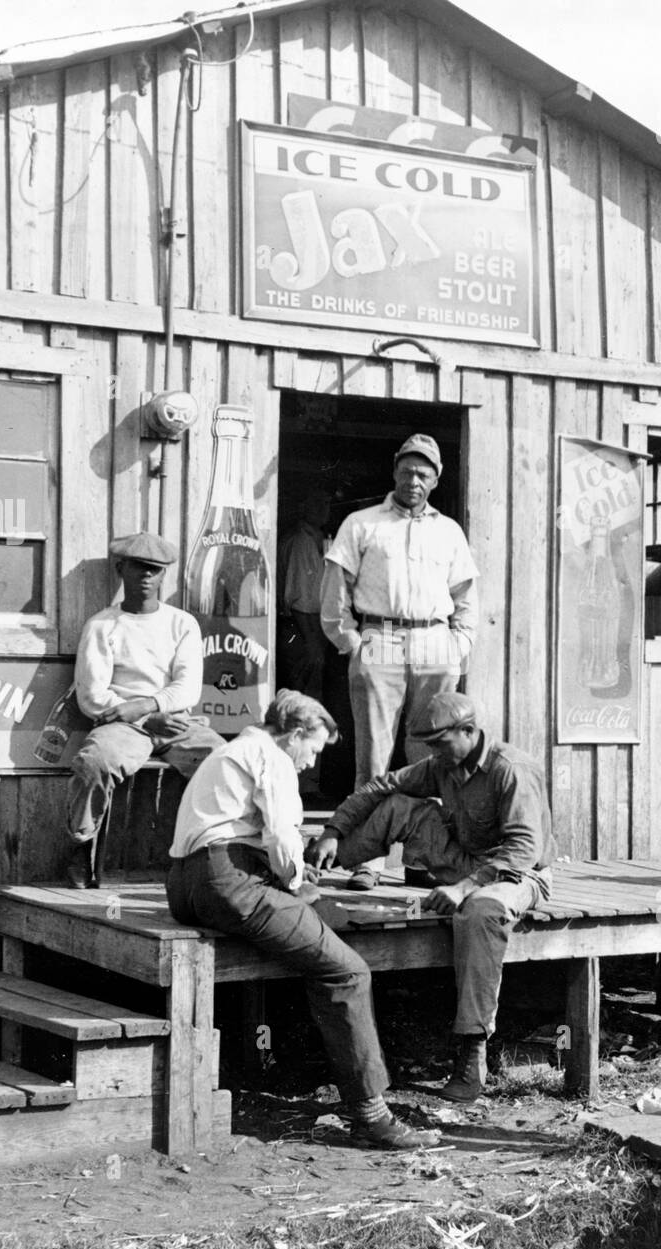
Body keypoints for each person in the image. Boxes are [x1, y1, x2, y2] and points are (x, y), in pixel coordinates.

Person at [166, 689, 437, 1150]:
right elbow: (282, 838)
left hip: (185, 885)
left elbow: (241, 835)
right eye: (311, 749)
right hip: (229, 883)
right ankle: (371, 1116)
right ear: (294, 734)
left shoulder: (229, 750)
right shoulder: (272, 756)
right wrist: (296, 881)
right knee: (348, 971)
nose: (311, 763)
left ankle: (304, 1064)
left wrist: (291, 880)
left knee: (317, 918)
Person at [305, 692, 555, 1103]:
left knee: (481, 911)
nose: (434, 752)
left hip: (519, 876)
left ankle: (473, 1051)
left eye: (440, 742)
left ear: (469, 732)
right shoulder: (445, 763)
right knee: (399, 804)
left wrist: (462, 887)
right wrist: (333, 831)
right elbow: (381, 786)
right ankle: (317, 864)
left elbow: (523, 851)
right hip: (467, 863)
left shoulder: (511, 769)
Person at [320, 434, 480, 890]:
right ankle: (365, 862)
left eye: (424, 472)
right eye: (407, 470)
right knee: (373, 756)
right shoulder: (362, 523)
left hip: (433, 639)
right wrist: (353, 641)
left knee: (432, 757)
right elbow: (334, 593)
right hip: (381, 637)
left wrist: (458, 644)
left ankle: (422, 860)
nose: (414, 479)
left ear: (435, 479)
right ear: (394, 472)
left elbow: (465, 596)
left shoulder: (448, 530)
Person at [65, 532, 219, 888]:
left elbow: (187, 687)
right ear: (121, 569)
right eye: (138, 569)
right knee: (94, 763)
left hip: (175, 720)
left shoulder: (182, 624)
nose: (146, 577)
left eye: (154, 570)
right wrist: (142, 714)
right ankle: (79, 844)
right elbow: (91, 695)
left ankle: (213, 855)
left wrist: (151, 705)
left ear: (165, 575)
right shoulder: (102, 625)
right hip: (122, 724)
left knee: (223, 761)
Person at [277, 488, 332, 703]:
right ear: (303, 507)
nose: (323, 509)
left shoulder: (315, 539)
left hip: (310, 628)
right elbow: (300, 600)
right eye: (316, 503)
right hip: (300, 629)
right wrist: (313, 644)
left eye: (326, 503)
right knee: (303, 699)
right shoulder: (302, 542)